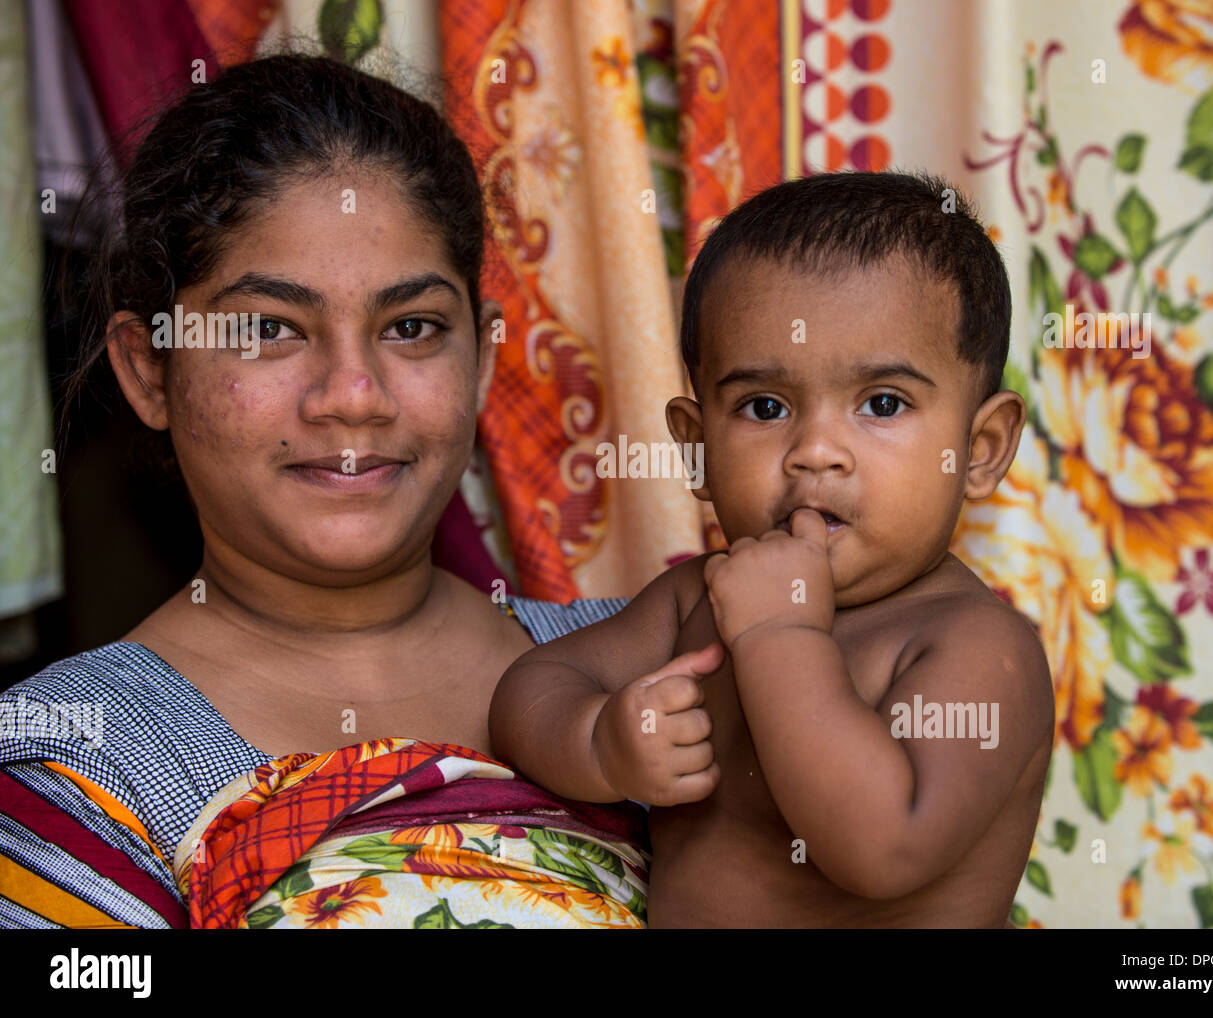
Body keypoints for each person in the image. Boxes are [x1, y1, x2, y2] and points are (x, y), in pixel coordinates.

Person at [0, 54, 647, 930]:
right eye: (271, 329)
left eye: (412, 327)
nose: (353, 393)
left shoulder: (646, 684)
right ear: (148, 369)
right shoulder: (73, 758)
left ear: (484, 356)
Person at [490, 171, 1056, 928]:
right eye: (765, 407)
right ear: (695, 450)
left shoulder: (979, 647)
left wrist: (780, 635)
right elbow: (533, 685)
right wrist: (602, 742)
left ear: (980, 449)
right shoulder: (699, 596)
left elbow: (884, 846)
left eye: (881, 404)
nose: (815, 451)